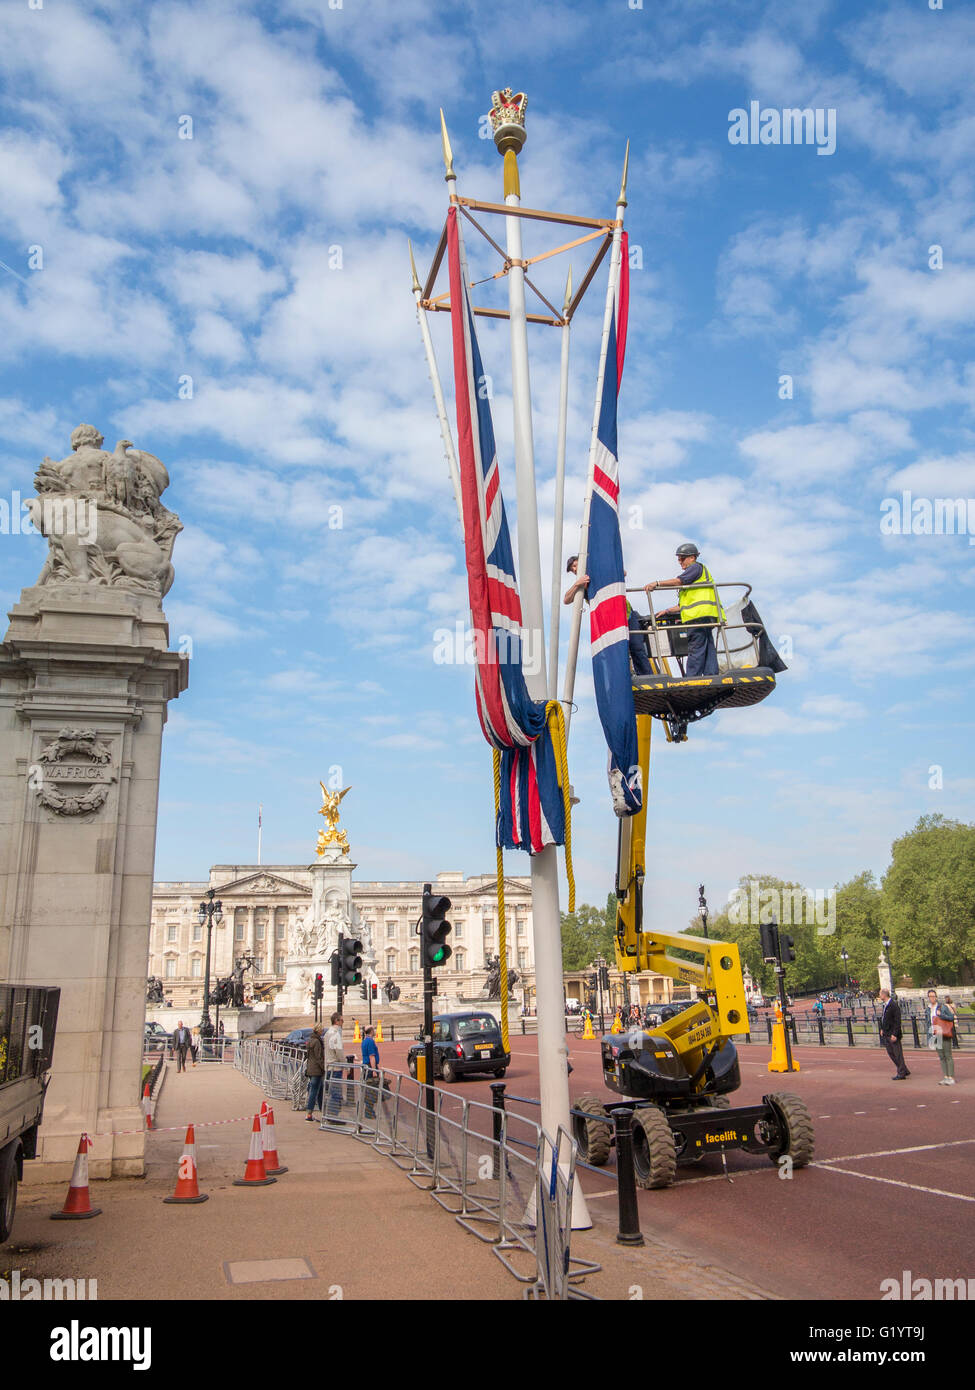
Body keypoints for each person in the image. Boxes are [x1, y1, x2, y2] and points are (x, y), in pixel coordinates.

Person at [644, 542, 725, 678]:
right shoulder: (698, 575)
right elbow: (683, 605)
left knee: (696, 647)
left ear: (692, 557)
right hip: (705, 614)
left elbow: (679, 581)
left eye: (682, 558)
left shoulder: (695, 568)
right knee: (708, 646)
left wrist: (657, 583)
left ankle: (692, 677)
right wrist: (668, 611)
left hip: (697, 616)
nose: (679, 562)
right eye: (678, 559)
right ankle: (712, 675)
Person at [563, 555, 652, 676]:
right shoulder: (582, 587)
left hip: (627, 615)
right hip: (610, 622)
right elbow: (566, 600)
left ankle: (647, 676)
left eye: (574, 565)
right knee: (619, 651)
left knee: (637, 647)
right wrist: (577, 584)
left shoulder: (599, 572)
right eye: (572, 570)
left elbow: (623, 573)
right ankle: (625, 678)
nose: (574, 570)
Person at [879, 989, 910, 1080]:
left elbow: (897, 1021)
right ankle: (903, 1069)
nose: (879, 996)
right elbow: (884, 1018)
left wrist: (895, 1034)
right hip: (887, 1032)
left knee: (897, 1053)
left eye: (880, 994)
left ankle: (901, 1072)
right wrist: (882, 1029)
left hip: (892, 1033)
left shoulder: (893, 1005)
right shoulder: (886, 1005)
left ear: (884, 995)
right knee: (891, 1052)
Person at [927, 990, 957, 1085]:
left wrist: (942, 1015)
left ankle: (951, 1077)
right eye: (930, 996)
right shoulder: (928, 1009)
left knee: (948, 1055)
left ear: (936, 997)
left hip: (944, 1033)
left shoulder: (942, 1007)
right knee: (941, 1057)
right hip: (935, 1034)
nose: (932, 998)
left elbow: (951, 1017)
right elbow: (928, 1023)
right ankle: (945, 1076)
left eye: (933, 996)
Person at [324, 1012, 346, 1121]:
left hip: (328, 1066)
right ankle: (333, 1116)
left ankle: (330, 1115)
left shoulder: (328, 1033)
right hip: (335, 1067)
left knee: (331, 1092)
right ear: (336, 1021)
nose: (343, 1023)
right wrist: (346, 1065)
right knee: (336, 1092)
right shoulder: (336, 1034)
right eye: (342, 1020)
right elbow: (339, 1052)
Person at [305, 1023, 325, 1121]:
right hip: (316, 1070)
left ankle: (322, 1110)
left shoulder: (310, 1040)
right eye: (322, 1030)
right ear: (319, 1031)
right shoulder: (317, 1041)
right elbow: (319, 1057)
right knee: (314, 1090)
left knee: (318, 1090)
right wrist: (323, 1067)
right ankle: (309, 1113)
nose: (323, 1032)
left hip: (310, 1068)